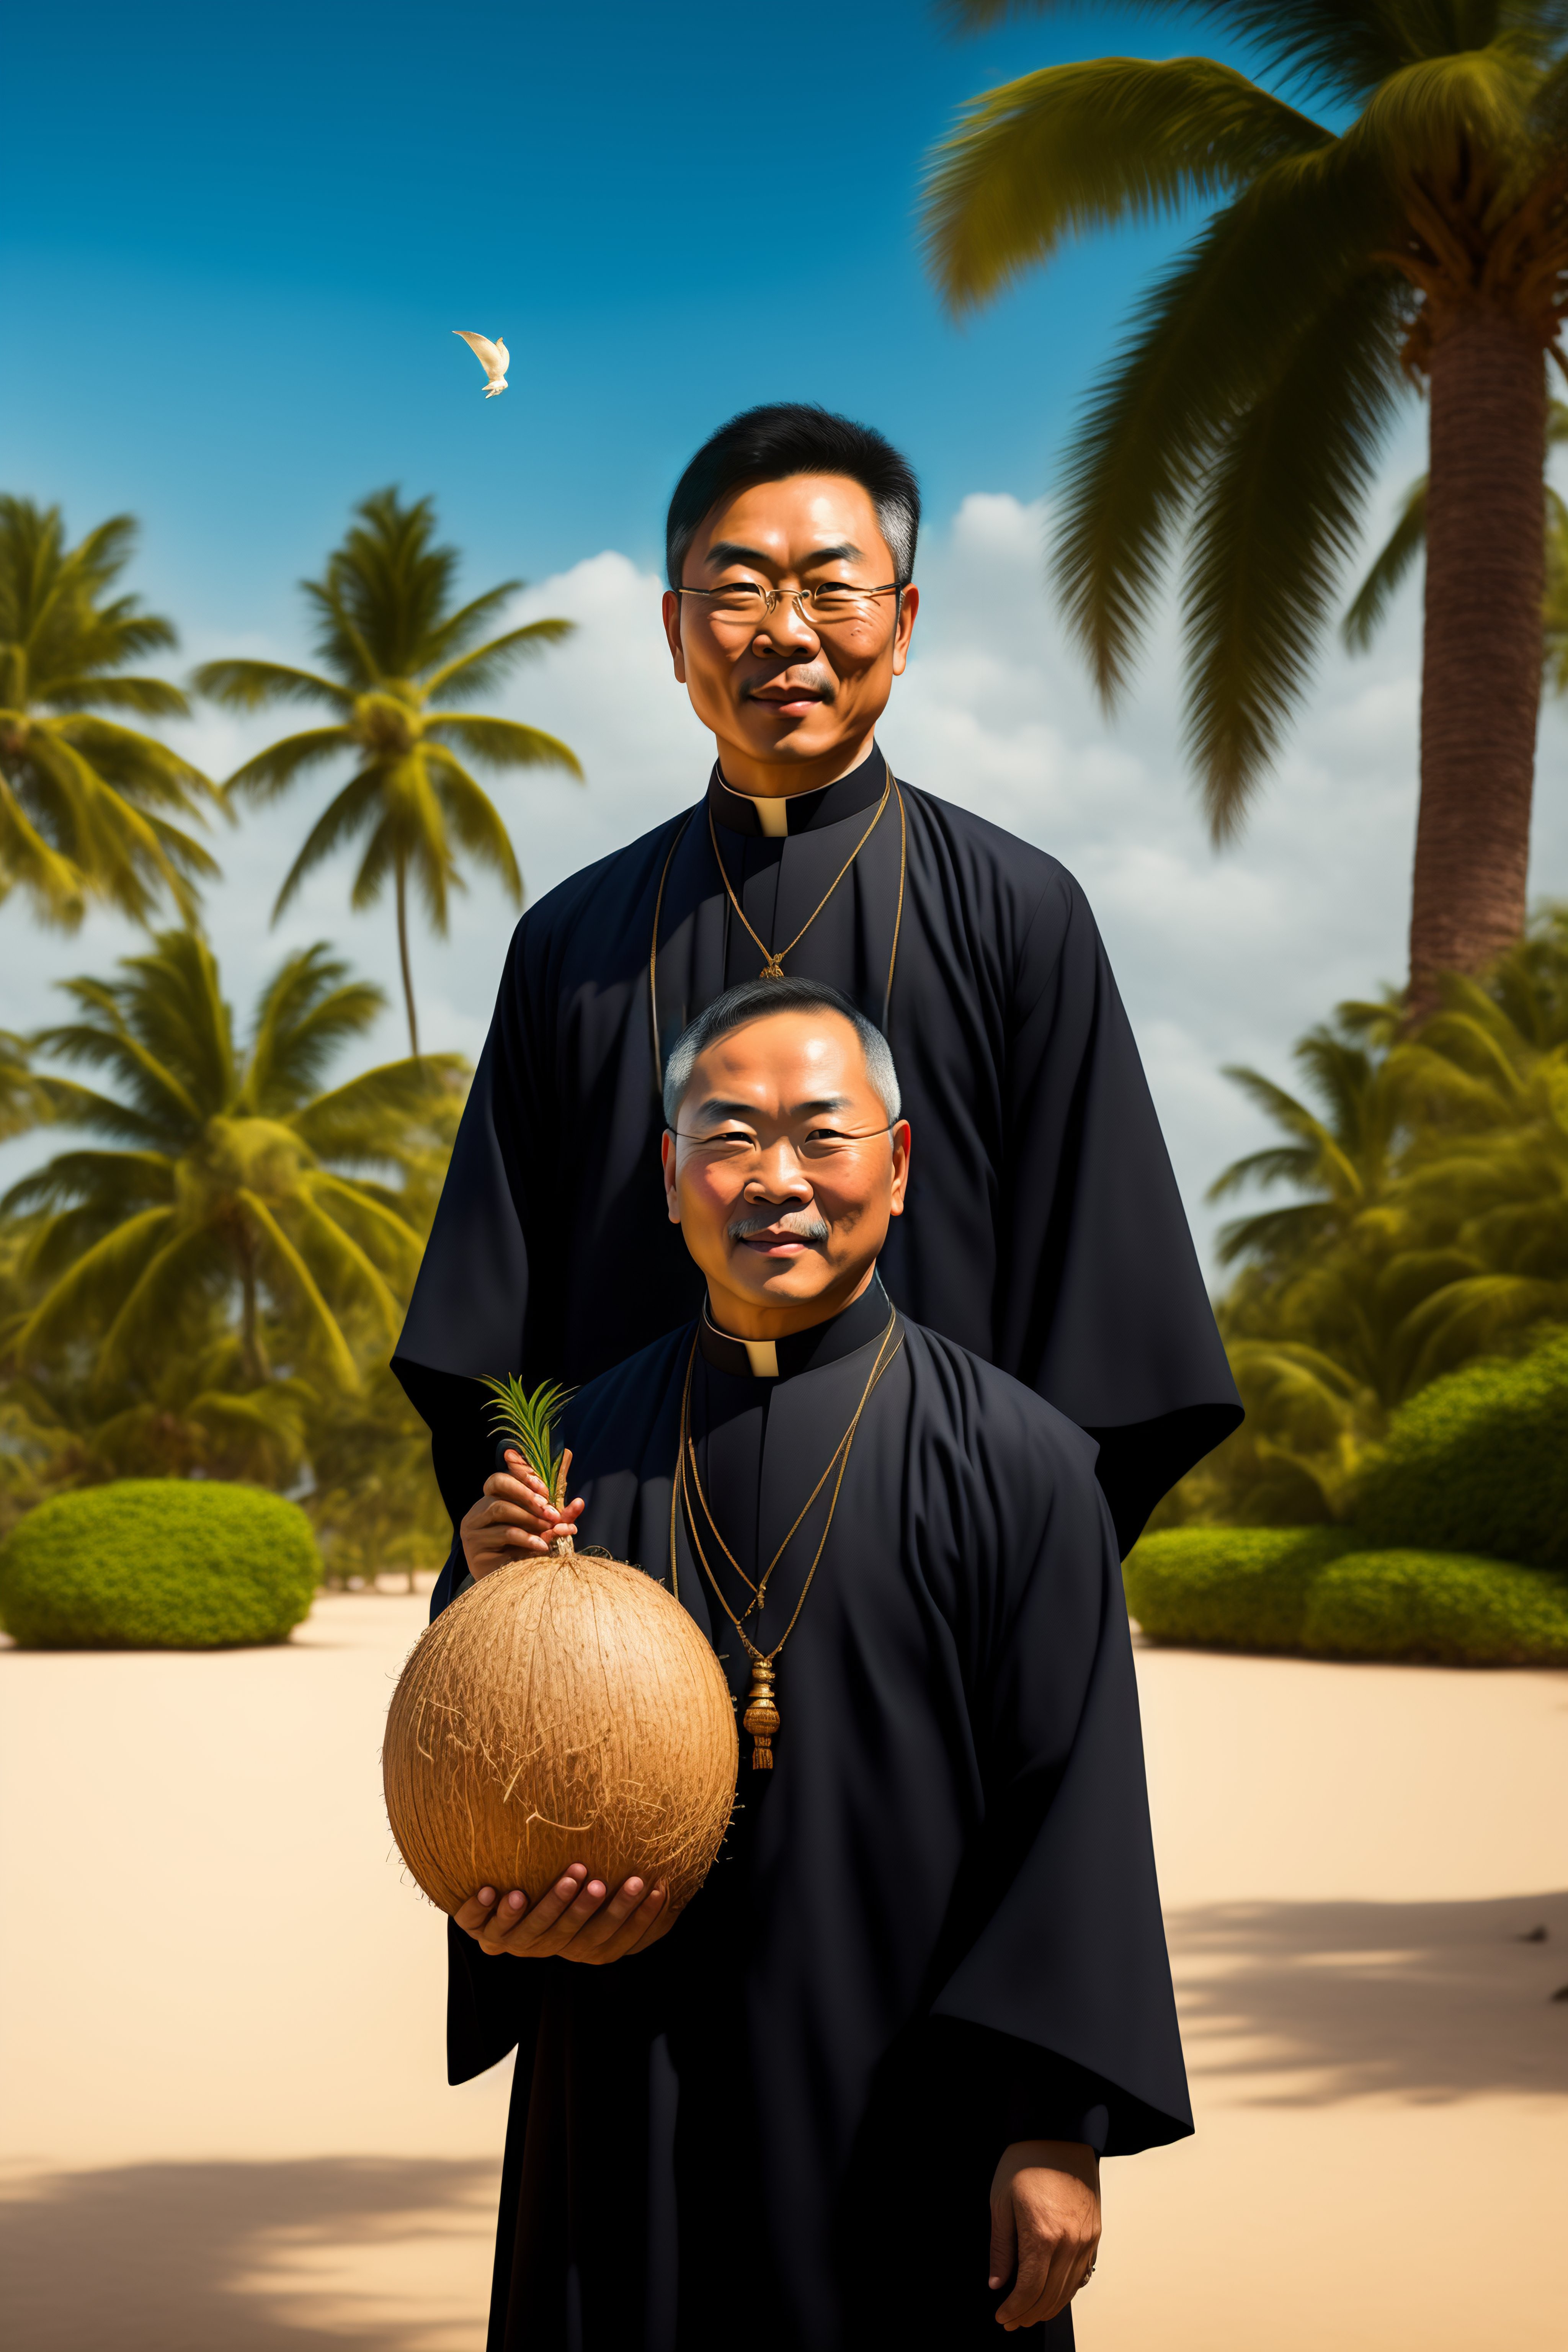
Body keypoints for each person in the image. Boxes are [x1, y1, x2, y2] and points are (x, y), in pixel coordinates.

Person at [446, 980, 1191, 2352]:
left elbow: (1073, 1812)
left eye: (821, 1137)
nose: (775, 1180)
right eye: (728, 1138)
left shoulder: (1022, 1465)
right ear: (670, 1179)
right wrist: (486, 1616)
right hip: (624, 2081)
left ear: (898, 1170)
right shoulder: (572, 1464)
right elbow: (470, 1787)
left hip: (915, 2107)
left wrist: (1053, 2127)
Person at [394, 404, 1239, 1595]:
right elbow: (489, 1341)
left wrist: (1025, 1577)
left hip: (936, 1587)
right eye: (736, 591)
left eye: (833, 592)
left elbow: (1106, 1309)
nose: (785, 634)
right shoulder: (570, 943)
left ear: (901, 626)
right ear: (676, 632)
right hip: (621, 1610)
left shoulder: (1020, 914)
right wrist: (531, 1545)